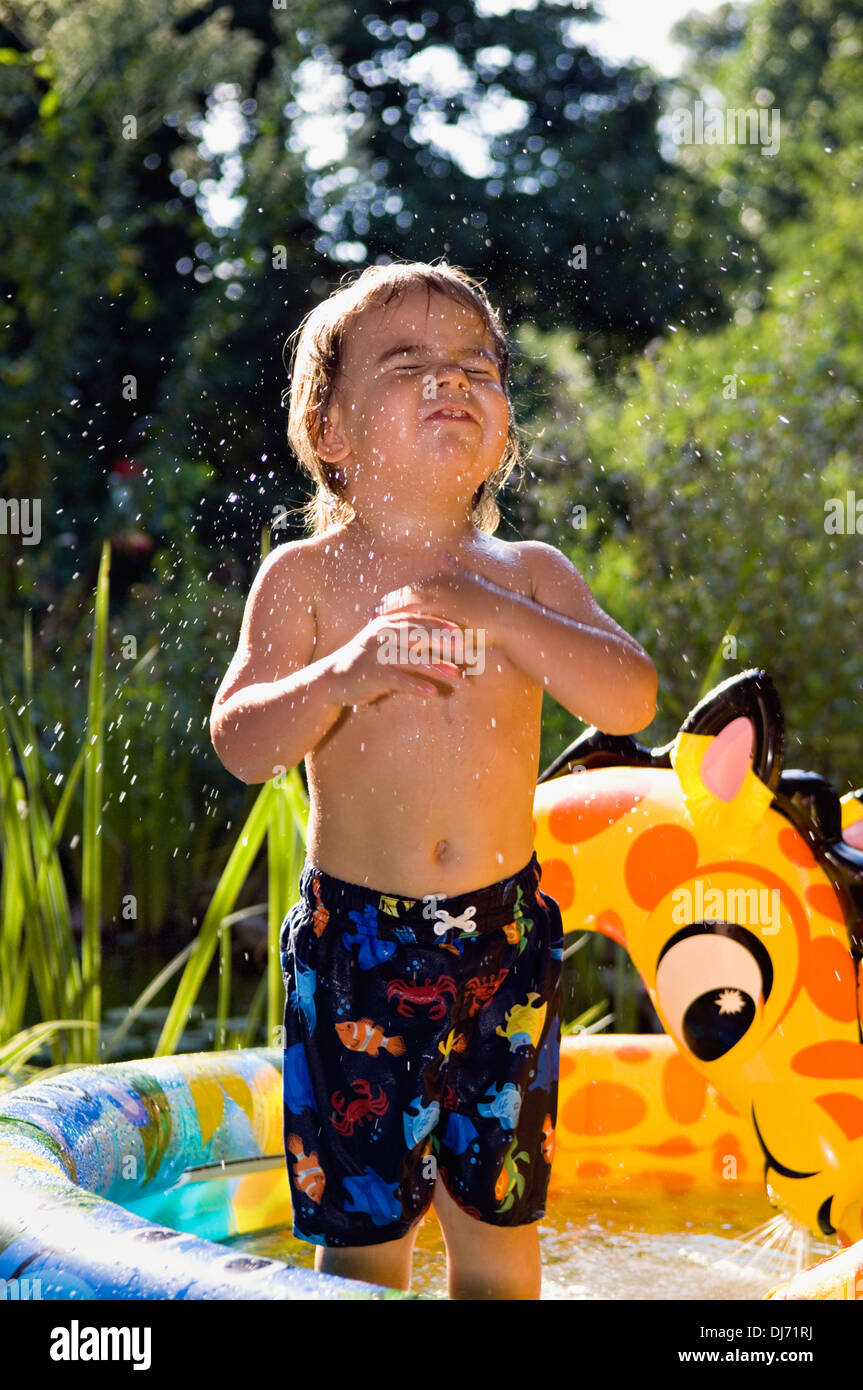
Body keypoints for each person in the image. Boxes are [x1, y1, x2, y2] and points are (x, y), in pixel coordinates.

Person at [209, 260, 657, 1299]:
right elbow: (241, 742)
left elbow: (629, 698)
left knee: (498, 1229)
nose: (450, 378)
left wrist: (497, 611)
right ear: (330, 429)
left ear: (502, 419)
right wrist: (343, 672)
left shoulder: (528, 575)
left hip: (503, 942)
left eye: (475, 364)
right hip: (358, 948)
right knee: (364, 1242)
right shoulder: (305, 580)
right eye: (407, 361)